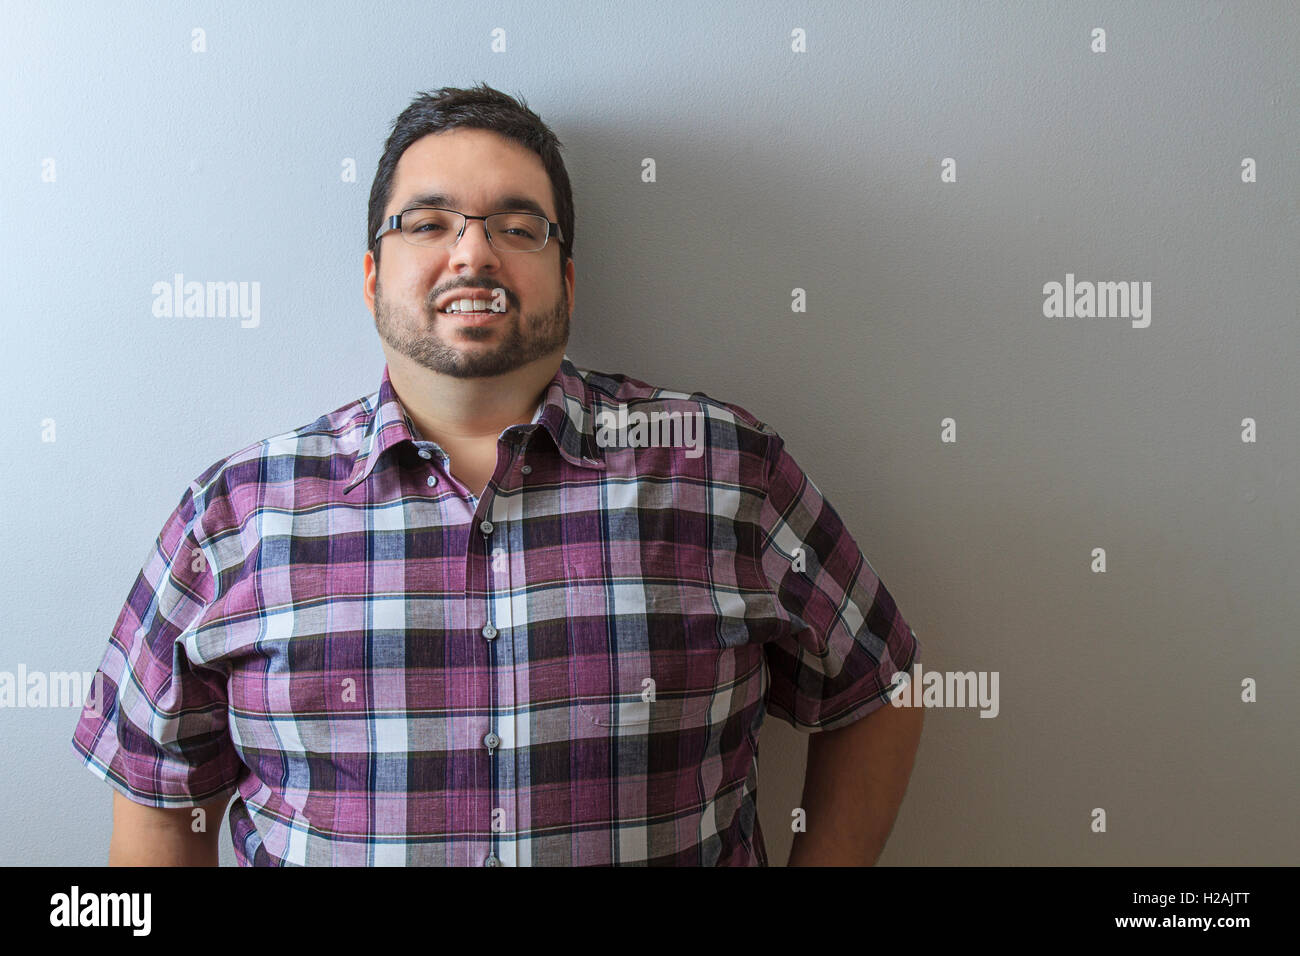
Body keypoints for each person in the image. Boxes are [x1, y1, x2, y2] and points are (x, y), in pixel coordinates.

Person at [71, 83, 923, 866]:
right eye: (429, 222)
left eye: (518, 227)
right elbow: (157, 800)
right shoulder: (233, 517)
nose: (474, 252)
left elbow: (880, 683)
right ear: (373, 277)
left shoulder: (724, 470)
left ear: (567, 279)